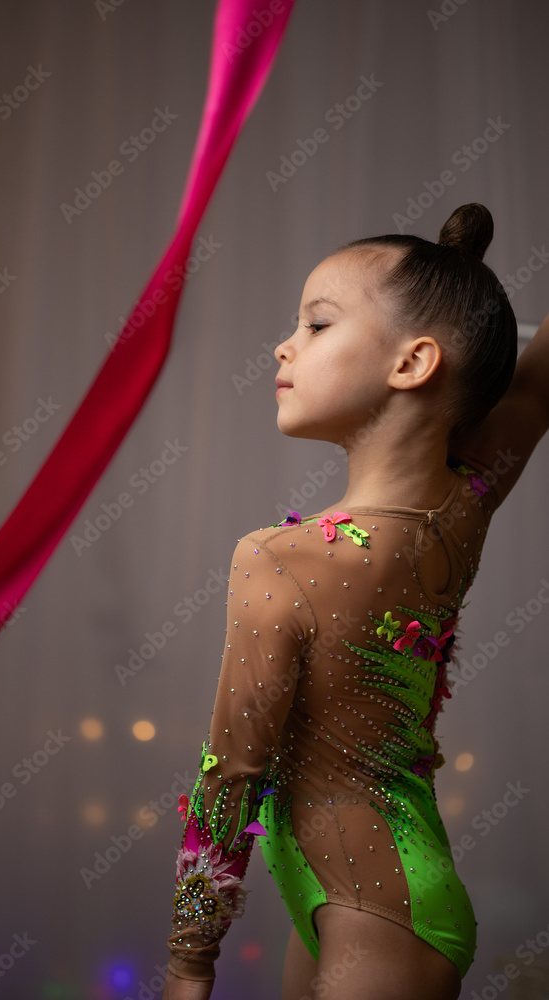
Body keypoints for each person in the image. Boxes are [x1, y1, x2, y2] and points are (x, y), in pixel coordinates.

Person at [161, 204, 549, 1000]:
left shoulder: (278, 560)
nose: (284, 345)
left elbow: (228, 780)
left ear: (412, 362)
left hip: (367, 914)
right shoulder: (463, 505)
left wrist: (187, 963)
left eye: (316, 324)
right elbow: (536, 386)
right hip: (372, 898)